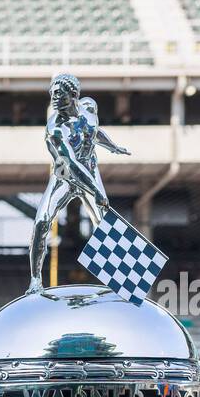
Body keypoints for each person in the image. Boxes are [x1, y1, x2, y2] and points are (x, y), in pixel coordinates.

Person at [28, 73, 130, 293]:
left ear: (73, 94)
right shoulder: (54, 129)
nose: (53, 98)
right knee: (41, 221)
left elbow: (93, 132)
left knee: (103, 222)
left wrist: (112, 146)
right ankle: (35, 280)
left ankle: (118, 279)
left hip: (89, 170)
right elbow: (71, 165)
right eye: (51, 94)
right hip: (65, 175)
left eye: (58, 93)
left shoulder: (89, 109)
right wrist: (95, 191)